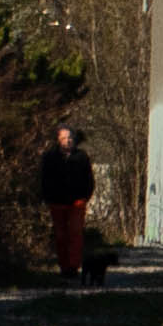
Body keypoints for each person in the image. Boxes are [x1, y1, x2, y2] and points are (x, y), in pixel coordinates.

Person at [29, 116, 94, 283]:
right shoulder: (50, 157)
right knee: (60, 235)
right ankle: (64, 267)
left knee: (75, 233)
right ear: (58, 140)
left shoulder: (82, 157)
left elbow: (89, 179)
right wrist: (47, 196)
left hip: (77, 201)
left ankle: (73, 266)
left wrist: (85, 196)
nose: (68, 141)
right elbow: (44, 179)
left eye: (70, 138)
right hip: (57, 201)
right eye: (64, 138)